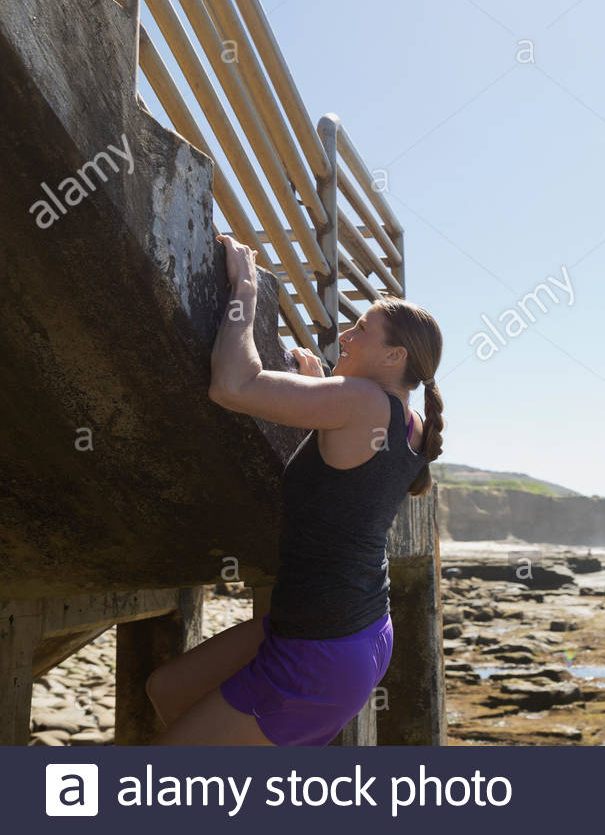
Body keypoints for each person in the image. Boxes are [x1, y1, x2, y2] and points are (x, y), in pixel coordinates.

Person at [144, 233, 444, 744]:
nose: (346, 337)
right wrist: (320, 388)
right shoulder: (410, 421)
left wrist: (246, 288)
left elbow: (232, 386)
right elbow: (351, 472)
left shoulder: (361, 403)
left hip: (322, 648)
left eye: (360, 330)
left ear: (394, 356)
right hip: (354, 631)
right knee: (167, 689)